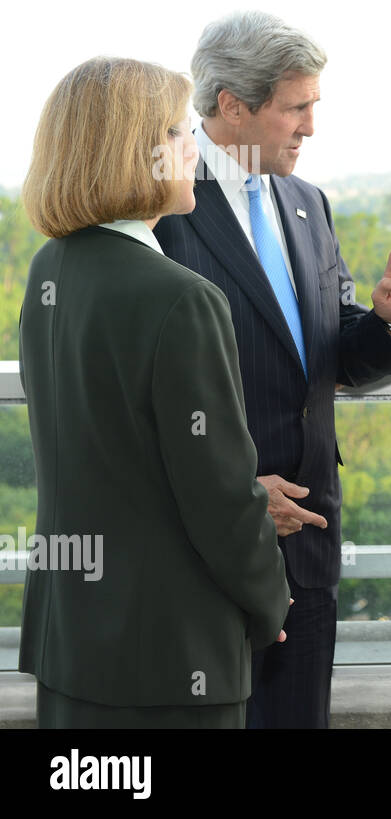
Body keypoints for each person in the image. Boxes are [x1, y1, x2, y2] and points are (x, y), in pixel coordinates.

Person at [154, 12, 391, 729]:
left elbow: (335, 356)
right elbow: (135, 394)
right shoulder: (160, 206)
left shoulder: (308, 205)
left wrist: (390, 322)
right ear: (231, 106)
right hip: (206, 543)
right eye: (296, 106)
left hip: (309, 542)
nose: (311, 125)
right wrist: (233, 493)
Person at [18, 57, 291, 727]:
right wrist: (270, 601)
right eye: (177, 131)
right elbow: (220, 491)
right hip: (171, 659)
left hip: (72, 644)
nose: (195, 147)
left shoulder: (49, 268)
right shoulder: (181, 298)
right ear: (129, 152)